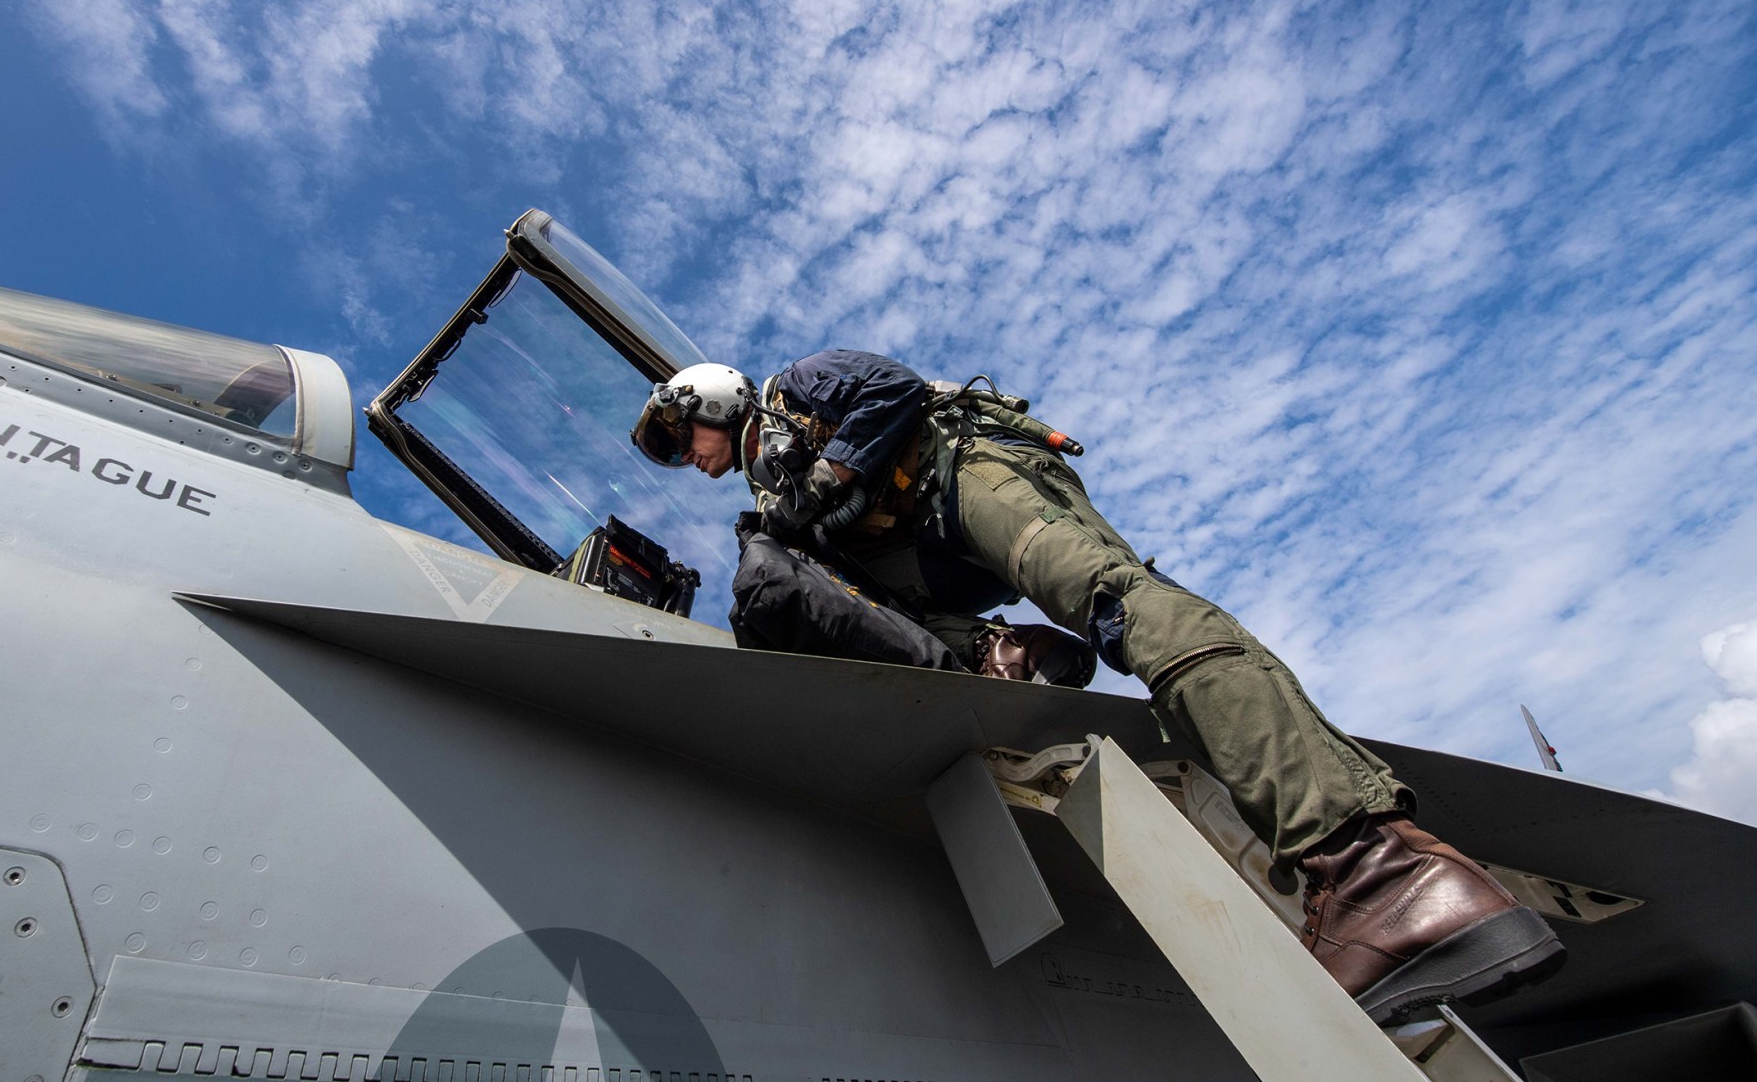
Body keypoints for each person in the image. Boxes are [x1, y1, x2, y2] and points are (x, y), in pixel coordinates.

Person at [633, 351, 1565, 1025]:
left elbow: (896, 391)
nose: (693, 457)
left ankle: (1373, 863)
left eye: (689, 436)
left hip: (968, 475)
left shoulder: (801, 386)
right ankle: (1004, 651)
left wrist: (828, 472)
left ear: (714, 401)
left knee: (1117, 602)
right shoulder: (769, 502)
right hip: (936, 564)